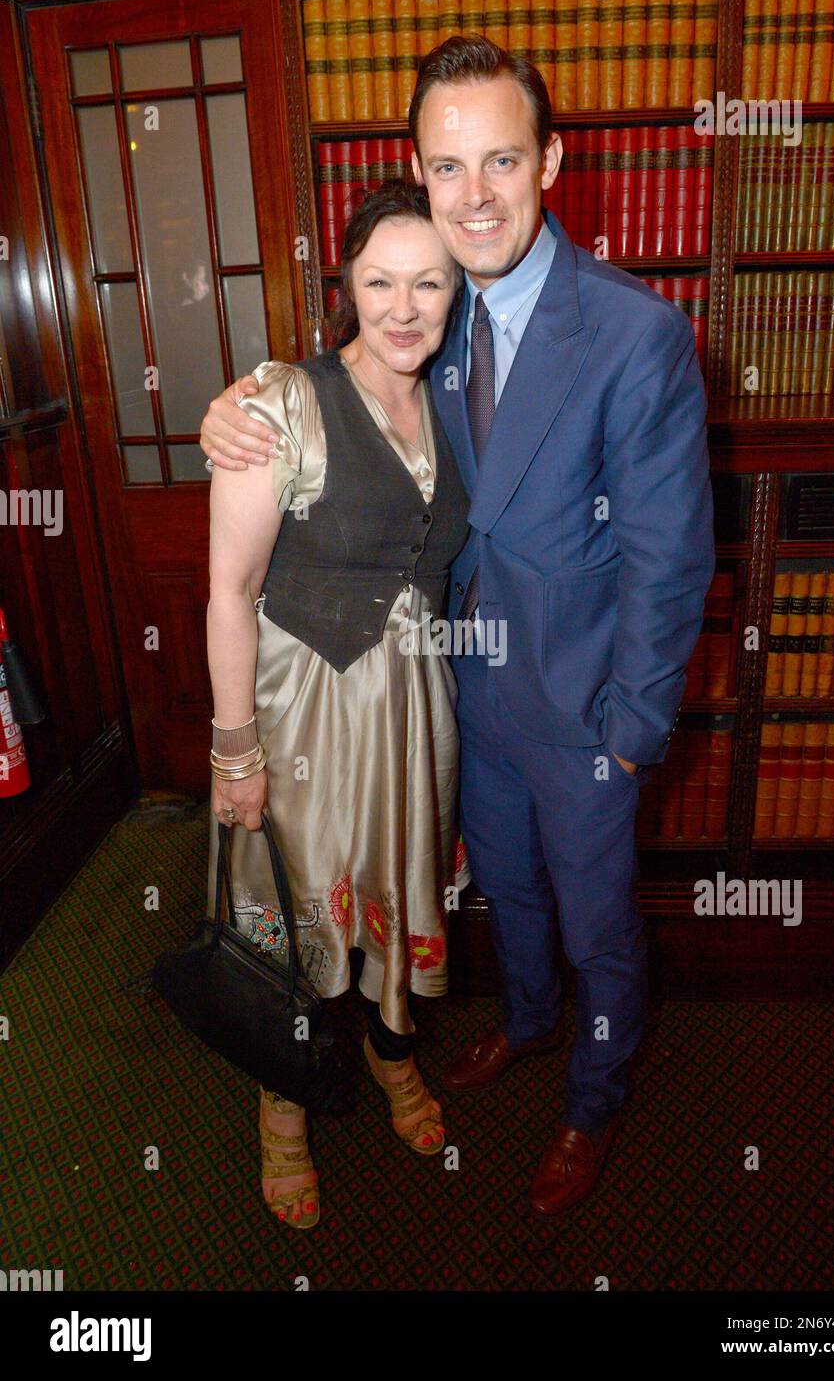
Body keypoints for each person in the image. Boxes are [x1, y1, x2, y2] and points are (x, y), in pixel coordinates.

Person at [201, 36, 715, 1219]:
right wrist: (236, 404)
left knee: (596, 919)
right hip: (456, 697)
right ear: (420, 176)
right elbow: (339, 390)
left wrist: (633, 727)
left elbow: (671, 554)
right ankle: (530, 1028)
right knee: (509, 900)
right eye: (448, 165)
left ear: (551, 163)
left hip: (586, 709)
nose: (473, 193)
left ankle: (594, 1093)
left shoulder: (635, 333)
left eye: (500, 161)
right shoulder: (435, 315)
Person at [205, 181, 471, 1229]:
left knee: (401, 895)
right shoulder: (283, 399)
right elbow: (228, 587)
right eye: (379, 282)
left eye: (428, 284)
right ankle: (282, 1115)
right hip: (303, 705)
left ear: (456, 290)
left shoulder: (459, 396)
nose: (403, 308)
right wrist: (236, 751)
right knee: (299, 910)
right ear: (346, 287)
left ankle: (391, 1052)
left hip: (412, 710)